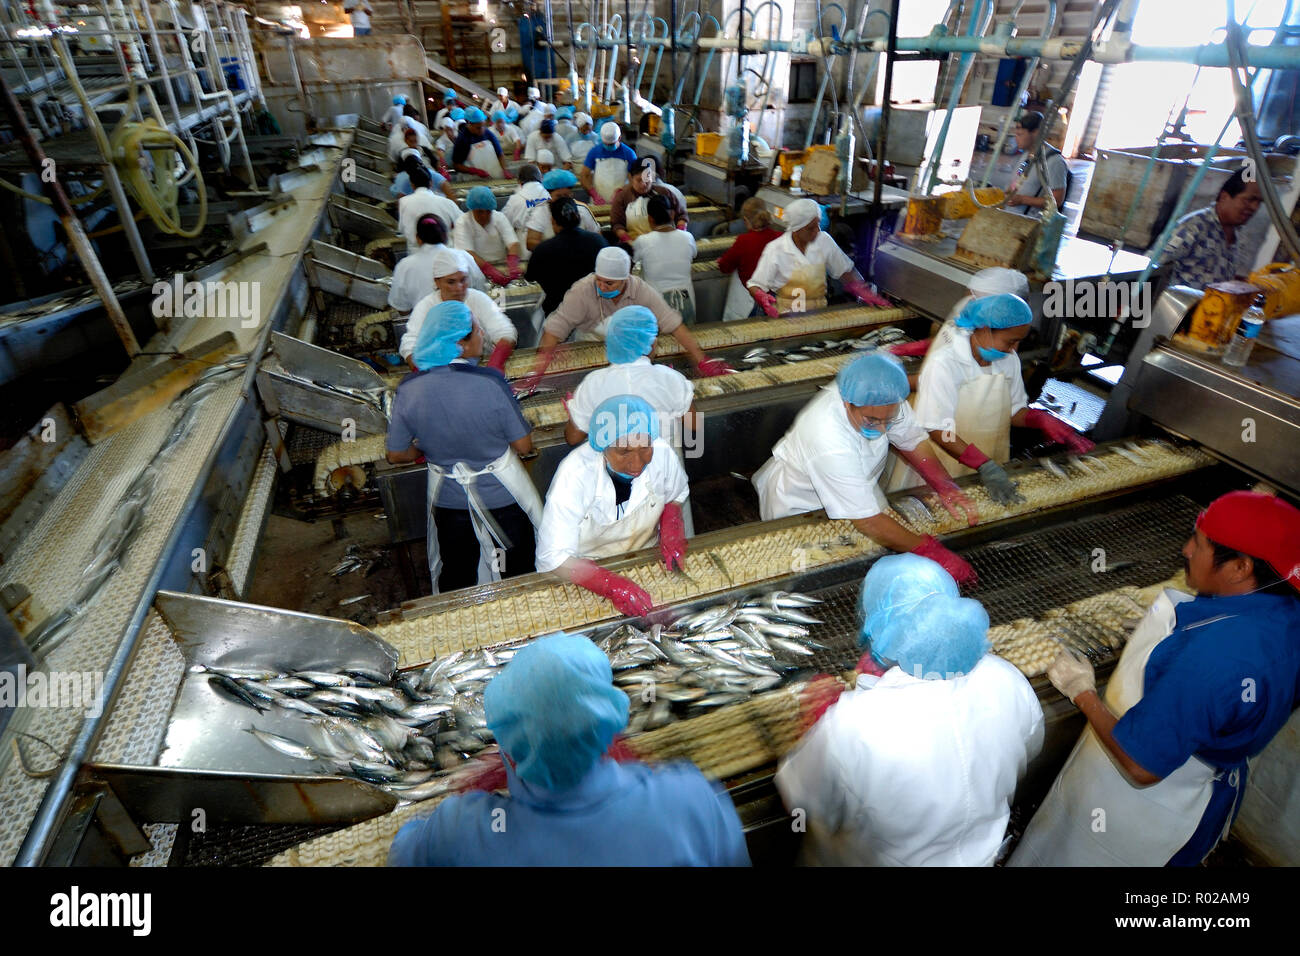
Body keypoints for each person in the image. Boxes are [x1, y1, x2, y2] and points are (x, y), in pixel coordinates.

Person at [1010, 491, 1300, 867]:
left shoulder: (1216, 658)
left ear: (1240, 568)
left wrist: (1083, 693)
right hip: (1207, 777)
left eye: (1199, 544)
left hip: (1146, 809)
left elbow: (1140, 766)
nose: (1186, 550)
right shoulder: (1285, 612)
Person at [388, 632, 751, 866]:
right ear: (609, 726)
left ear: (509, 751)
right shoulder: (691, 800)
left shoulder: (464, 831)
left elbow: (404, 853)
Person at [776, 553, 1044, 865]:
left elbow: (804, 801)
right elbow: (1029, 747)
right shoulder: (1005, 678)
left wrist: (814, 727)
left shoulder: (853, 723)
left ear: (877, 625)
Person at [753, 352, 980, 586]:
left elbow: (912, 440)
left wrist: (945, 485)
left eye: (888, 420)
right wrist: (933, 553)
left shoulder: (885, 398)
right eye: (872, 420)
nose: (882, 429)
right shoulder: (827, 436)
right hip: (802, 504)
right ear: (847, 403)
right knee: (803, 571)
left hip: (855, 488)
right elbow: (868, 521)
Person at [385, 300, 539, 594]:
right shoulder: (490, 382)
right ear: (461, 345)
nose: (483, 334)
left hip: (448, 501)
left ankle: (467, 631)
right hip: (501, 499)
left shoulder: (408, 388)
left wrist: (421, 451)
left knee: (458, 573)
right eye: (477, 330)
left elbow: (396, 454)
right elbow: (523, 444)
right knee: (517, 571)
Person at [909, 294, 1093, 490]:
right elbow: (939, 430)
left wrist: (1039, 418)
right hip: (944, 462)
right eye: (1010, 341)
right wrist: (982, 464)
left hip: (990, 457)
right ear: (985, 330)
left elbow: (1014, 411)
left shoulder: (1008, 359)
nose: (1014, 348)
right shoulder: (945, 363)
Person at [535, 395, 690, 615]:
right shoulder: (575, 474)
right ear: (603, 446)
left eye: (645, 448)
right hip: (586, 573)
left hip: (646, 559)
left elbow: (675, 493)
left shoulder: (662, 453)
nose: (637, 464)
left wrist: (671, 529)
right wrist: (610, 585)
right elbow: (554, 556)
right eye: (624, 451)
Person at [524, 247, 730, 385]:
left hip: (632, 355)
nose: (602, 286)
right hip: (590, 347)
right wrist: (537, 372)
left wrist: (701, 360)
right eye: (599, 280)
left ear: (625, 279)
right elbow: (555, 329)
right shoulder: (583, 290)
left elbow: (673, 324)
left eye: (610, 283)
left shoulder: (640, 290)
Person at [565, 305, 696, 449]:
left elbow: (573, 438)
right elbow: (694, 424)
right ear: (652, 344)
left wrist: (575, 409)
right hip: (666, 468)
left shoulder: (593, 383)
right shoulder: (671, 378)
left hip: (616, 468)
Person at [747, 199, 890, 315]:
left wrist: (862, 291)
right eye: (811, 228)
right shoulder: (776, 249)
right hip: (785, 318)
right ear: (796, 229)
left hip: (819, 315)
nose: (817, 231)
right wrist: (761, 297)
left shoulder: (823, 240)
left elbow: (844, 271)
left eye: (818, 225)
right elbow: (755, 285)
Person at [400, 249, 517, 370]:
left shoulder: (478, 299)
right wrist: (424, 374)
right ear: (437, 282)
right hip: (441, 370)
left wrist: (496, 363)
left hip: (481, 365)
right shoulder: (426, 306)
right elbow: (410, 344)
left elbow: (505, 331)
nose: (459, 288)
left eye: (463, 280)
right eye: (451, 282)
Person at [1161, 165, 1264, 289]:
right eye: (1250, 200)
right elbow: (1150, 268)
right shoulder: (1193, 227)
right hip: (1176, 306)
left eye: (1259, 202)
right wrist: (1141, 307)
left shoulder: (1236, 235)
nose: (1255, 208)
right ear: (1224, 197)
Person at [389, 217, 486, 322]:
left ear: (418, 239)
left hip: (426, 327)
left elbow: (402, 308)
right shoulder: (463, 256)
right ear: (446, 236)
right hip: (467, 323)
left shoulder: (404, 266)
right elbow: (481, 288)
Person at [526, 197, 607, 316]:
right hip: (594, 312)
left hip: (558, 312)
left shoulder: (543, 250)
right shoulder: (598, 242)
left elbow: (531, 277)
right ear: (578, 218)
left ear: (553, 221)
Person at [632, 194, 698, 323]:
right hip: (687, 300)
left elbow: (633, 260)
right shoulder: (688, 237)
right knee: (686, 338)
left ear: (650, 219)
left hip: (657, 305)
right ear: (672, 214)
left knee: (661, 342)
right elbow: (693, 254)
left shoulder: (643, 241)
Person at [717, 197, 783, 321]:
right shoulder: (780, 237)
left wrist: (721, 261)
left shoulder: (743, 241)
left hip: (750, 302)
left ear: (746, 220)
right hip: (778, 299)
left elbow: (725, 267)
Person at [453, 186, 522, 285]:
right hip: (475, 271)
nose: (484, 215)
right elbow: (467, 253)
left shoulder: (499, 218)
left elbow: (513, 243)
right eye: (480, 212)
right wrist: (489, 270)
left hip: (501, 267)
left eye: (488, 211)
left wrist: (513, 263)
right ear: (472, 209)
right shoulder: (463, 222)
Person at [1004, 110, 1069, 214]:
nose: (1016, 139)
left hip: (1031, 222)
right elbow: (1018, 179)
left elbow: (1057, 200)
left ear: (1036, 133)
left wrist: (1022, 200)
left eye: (1020, 134)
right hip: (1013, 216)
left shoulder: (1054, 161)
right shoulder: (1026, 154)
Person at [611, 156, 688, 244]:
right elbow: (617, 224)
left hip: (666, 241)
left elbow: (681, 215)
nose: (643, 184)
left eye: (646, 180)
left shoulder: (664, 192)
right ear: (631, 179)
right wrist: (628, 241)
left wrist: (680, 233)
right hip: (635, 243)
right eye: (639, 180)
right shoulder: (622, 197)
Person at [526, 169, 601, 250]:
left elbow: (597, 235)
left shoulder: (582, 209)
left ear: (571, 195)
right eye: (558, 196)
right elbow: (531, 242)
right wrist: (557, 249)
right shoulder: (540, 212)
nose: (562, 200)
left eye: (566, 195)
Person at [397, 167, 461, 252]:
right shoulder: (447, 203)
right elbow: (462, 224)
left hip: (416, 254)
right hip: (446, 253)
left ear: (412, 185)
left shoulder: (403, 202)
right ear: (430, 183)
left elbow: (402, 229)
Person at [581, 121, 638, 204]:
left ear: (619, 138)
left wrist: (622, 192)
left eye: (611, 144)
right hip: (598, 201)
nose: (608, 146)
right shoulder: (594, 152)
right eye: (606, 144)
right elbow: (584, 176)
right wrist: (593, 193)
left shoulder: (629, 154)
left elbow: (633, 180)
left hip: (622, 201)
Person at [451, 108, 507, 179]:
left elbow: (500, 154)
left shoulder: (488, 133)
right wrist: (474, 171)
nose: (482, 130)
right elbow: (456, 165)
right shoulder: (462, 139)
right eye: (478, 128)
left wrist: (504, 170)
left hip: (493, 174)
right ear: (469, 124)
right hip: (473, 178)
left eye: (484, 126)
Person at [501, 164, 550, 239]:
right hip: (550, 238)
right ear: (541, 178)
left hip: (525, 241)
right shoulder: (549, 194)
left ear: (519, 181)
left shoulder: (515, 199)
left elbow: (504, 223)